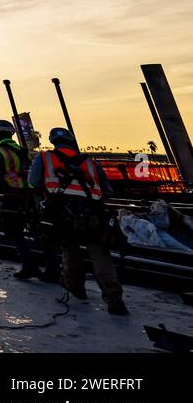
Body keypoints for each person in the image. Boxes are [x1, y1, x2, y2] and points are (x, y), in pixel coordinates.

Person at [29, 128, 126, 315]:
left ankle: (76, 288)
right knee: (100, 254)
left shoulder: (44, 159)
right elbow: (107, 190)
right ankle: (114, 298)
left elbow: (34, 182)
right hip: (93, 213)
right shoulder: (91, 162)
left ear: (52, 141)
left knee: (69, 251)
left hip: (62, 213)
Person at [0, 119, 47, 280]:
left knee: (15, 232)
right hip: (29, 196)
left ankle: (29, 265)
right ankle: (52, 266)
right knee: (36, 232)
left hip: (12, 197)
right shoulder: (22, 150)